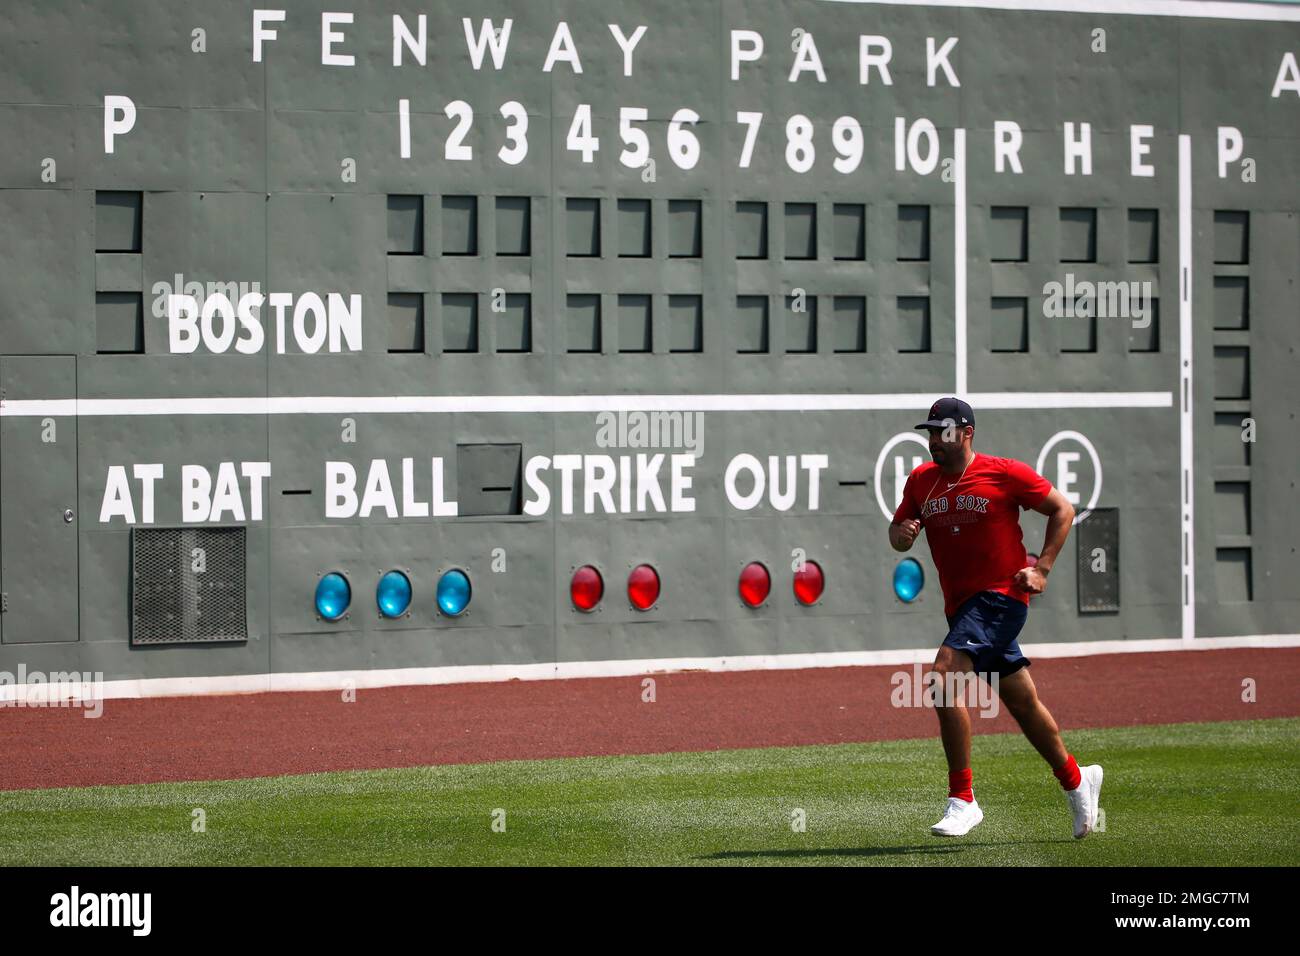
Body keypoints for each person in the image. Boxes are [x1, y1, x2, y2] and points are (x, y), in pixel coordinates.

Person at [888, 397, 1103, 839]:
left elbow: (1063, 509)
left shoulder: (1004, 473)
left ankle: (962, 799)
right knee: (1022, 703)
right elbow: (898, 536)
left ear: (966, 433)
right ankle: (1078, 781)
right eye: (930, 432)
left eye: (943, 432)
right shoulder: (920, 481)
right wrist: (903, 533)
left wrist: (1042, 568)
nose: (934, 441)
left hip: (1003, 598)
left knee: (943, 677)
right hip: (963, 610)